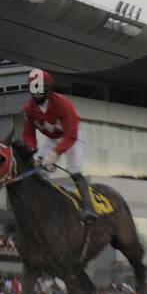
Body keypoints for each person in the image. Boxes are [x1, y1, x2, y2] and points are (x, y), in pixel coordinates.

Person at [21, 68, 97, 220]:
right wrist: (32, 151)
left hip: (72, 137)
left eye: (39, 89)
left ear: (48, 89)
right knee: (39, 170)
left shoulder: (64, 105)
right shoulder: (28, 109)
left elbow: (70, 135)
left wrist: (55, 154)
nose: (36, 93)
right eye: (33, 89)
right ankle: (40, 204)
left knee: (73, 169)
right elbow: (29, 133)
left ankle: (89, 208)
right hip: (51, 139)